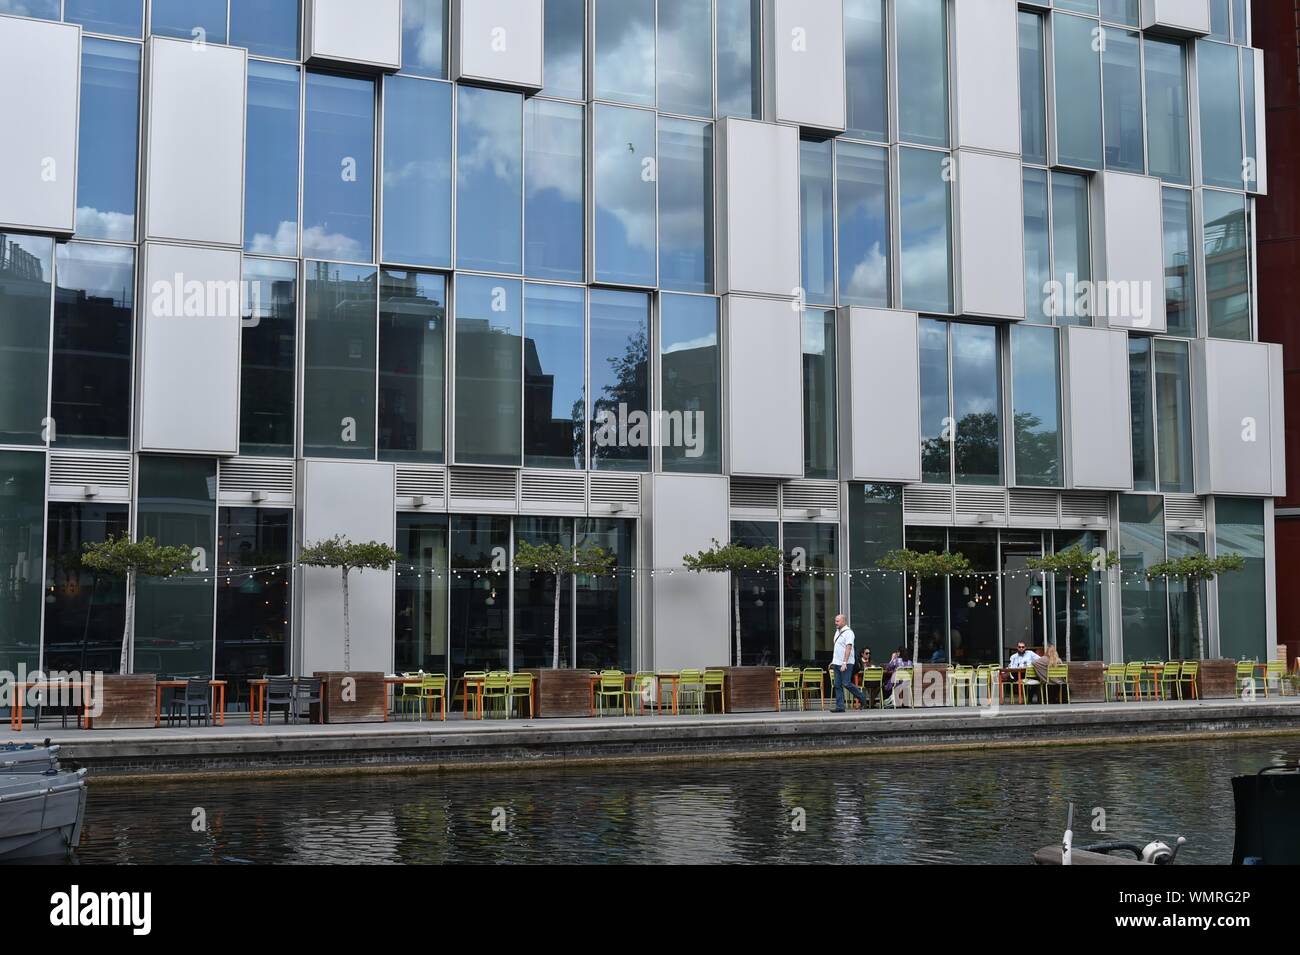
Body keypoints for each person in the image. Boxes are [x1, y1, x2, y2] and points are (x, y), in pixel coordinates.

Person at [830, 614, 867, 713]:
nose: (835, 623)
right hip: (837, 663)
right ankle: (840, 707)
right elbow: (838, 648)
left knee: (846, 683)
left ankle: (862, 697)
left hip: (846, 663)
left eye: (837, 621)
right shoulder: (837, 632)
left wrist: (844, 662)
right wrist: (833, 661)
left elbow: (848, 648)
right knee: (837, 684)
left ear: (843, 621)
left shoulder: (849, 633)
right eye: (835, 621)